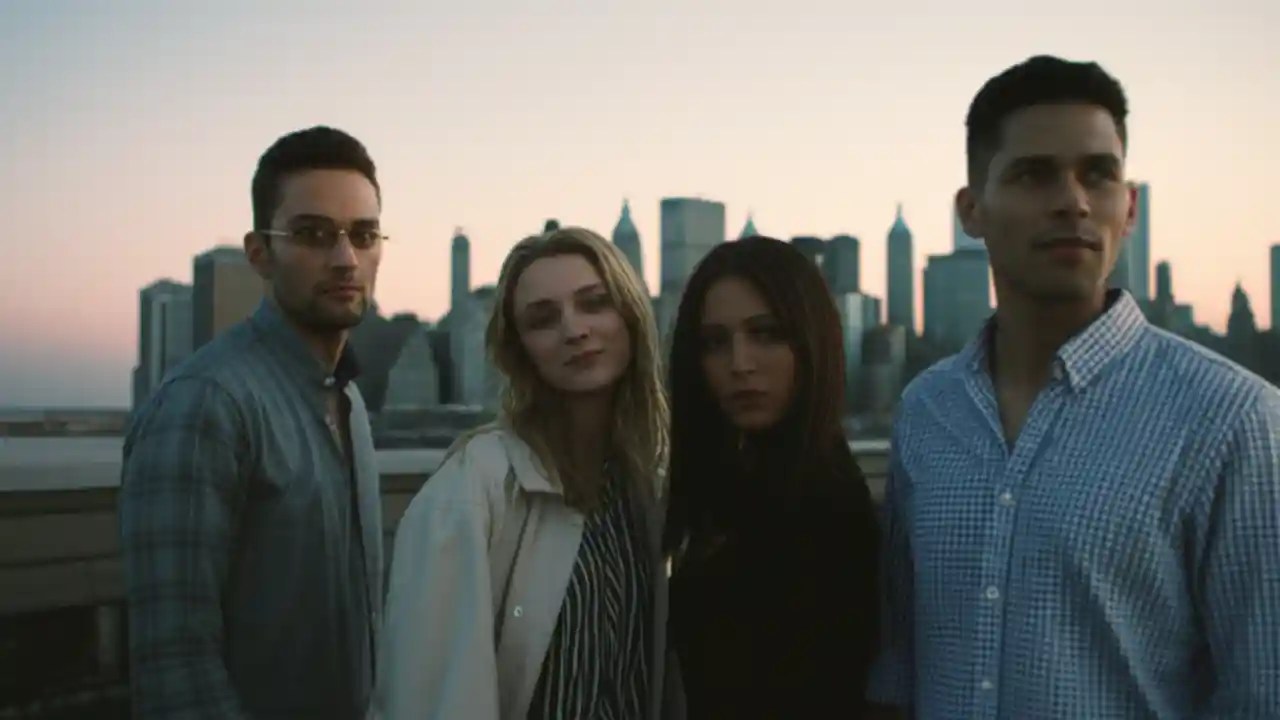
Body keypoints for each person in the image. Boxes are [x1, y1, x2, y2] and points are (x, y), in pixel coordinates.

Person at [867, 55, 1280, 719]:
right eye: (1034, 175)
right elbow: (898, 667)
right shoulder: (926, 411)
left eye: (1098, 175)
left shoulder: (1233, 420)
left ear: (1131, 206)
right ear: (971, 210)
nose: (1073, 201)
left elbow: (1263, 692)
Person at [118, 126, 387, 719]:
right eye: (313, 234)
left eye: (364, 235)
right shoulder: (203, 405)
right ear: (260, 252)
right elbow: (176, 671)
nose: (346, 259)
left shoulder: (350, 403)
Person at [373, 227, 677, 720]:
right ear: (521, 352)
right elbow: (430, 699)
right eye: (542, 319)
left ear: (632, 316)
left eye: (594, 303)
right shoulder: (472, 489)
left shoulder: (651, 482)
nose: (574, 330)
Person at [662, 235, 880, 718]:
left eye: (766, 334)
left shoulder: (827, 511)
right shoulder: (726, 486)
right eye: (715, 342)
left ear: (810, 340)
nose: (740, 364)